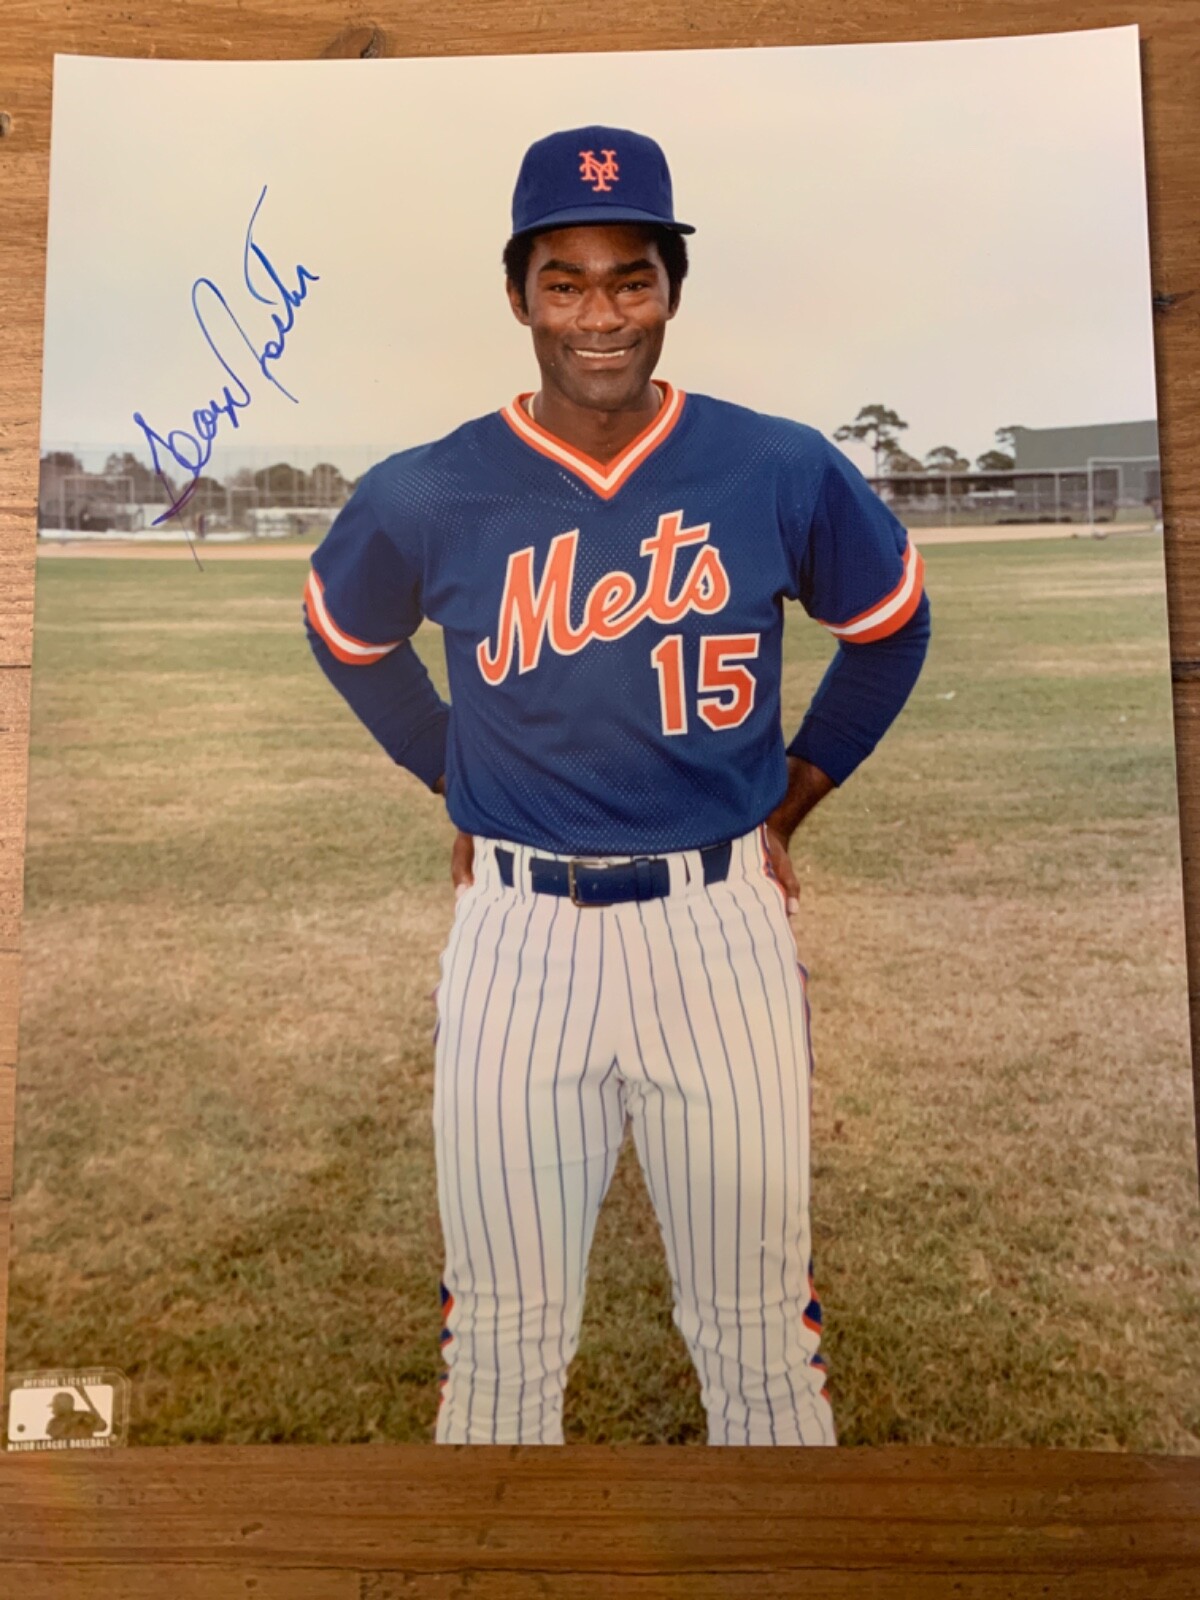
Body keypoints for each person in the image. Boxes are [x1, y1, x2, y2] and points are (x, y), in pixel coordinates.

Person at [304, 125, 930, 1446]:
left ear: (672, 289)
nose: (602, 315)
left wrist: (791, 799)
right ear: (521, 294)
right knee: (503, 1343)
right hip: (518, 940)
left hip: (721, 932)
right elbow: (348, 637)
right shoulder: (428, 489)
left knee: (761, 1334)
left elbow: (889, 625)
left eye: (631, 277)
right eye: (568, 282)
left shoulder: (775, 465)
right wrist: (456, 778)